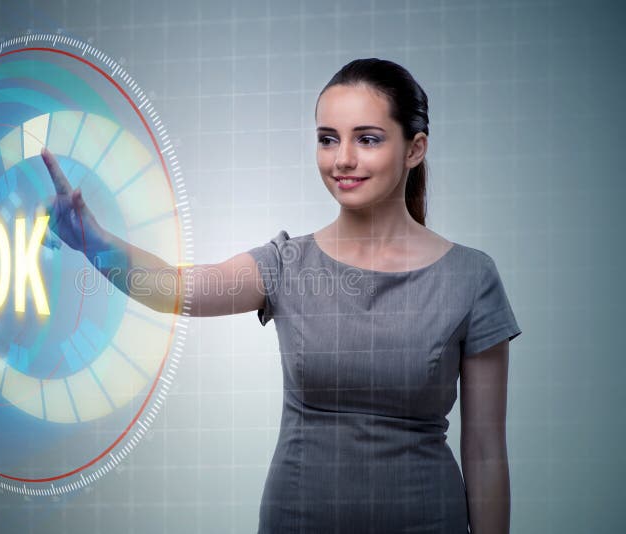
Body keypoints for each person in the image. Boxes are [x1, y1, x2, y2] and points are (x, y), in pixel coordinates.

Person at [39, 57, 522, 534]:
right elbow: (176, 289)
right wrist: (93, 241)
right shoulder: (287, 265)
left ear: (415, 149)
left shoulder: (470, 277)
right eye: (328, 139)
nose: (343, 159)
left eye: (367, 139)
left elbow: (484, 453)